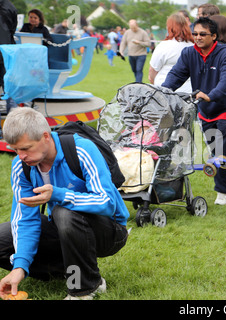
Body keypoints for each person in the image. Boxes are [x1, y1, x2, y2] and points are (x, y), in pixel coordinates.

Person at [0, 108, 129, 300]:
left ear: (45, 136)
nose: (21, 156)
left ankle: (83, 289)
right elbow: (24, 219)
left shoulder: (82, 149)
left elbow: (107, 202)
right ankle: (73, 269)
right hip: (63, 228)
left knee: (63, 211)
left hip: (109, 231)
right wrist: (20, 266)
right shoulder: (21, 167)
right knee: (2, 239)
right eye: (15, 150)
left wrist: (58, 194)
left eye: (26, 148)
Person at [162, 17, 226, 206]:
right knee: (218, 149)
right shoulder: (189, 53)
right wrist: (162, 91)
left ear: (214, 36)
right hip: (205, 110)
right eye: (195, 33)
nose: (197, 37)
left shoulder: (225, 54)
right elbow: (177, 74)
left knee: (222, 149)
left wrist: (211, 95)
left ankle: (222, 192)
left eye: (202, 34)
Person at [149, 13, 194, 92]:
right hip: (188, 90)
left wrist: (154, 82)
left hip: (165, 89)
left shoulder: (164, 46)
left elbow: (152, 71)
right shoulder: (193, 46)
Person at [0, 0, 17, 139]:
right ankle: (13, 130)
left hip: (5, 52)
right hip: (6, 53)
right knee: (10, 91)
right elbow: (13, 28)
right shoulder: (9, 6)